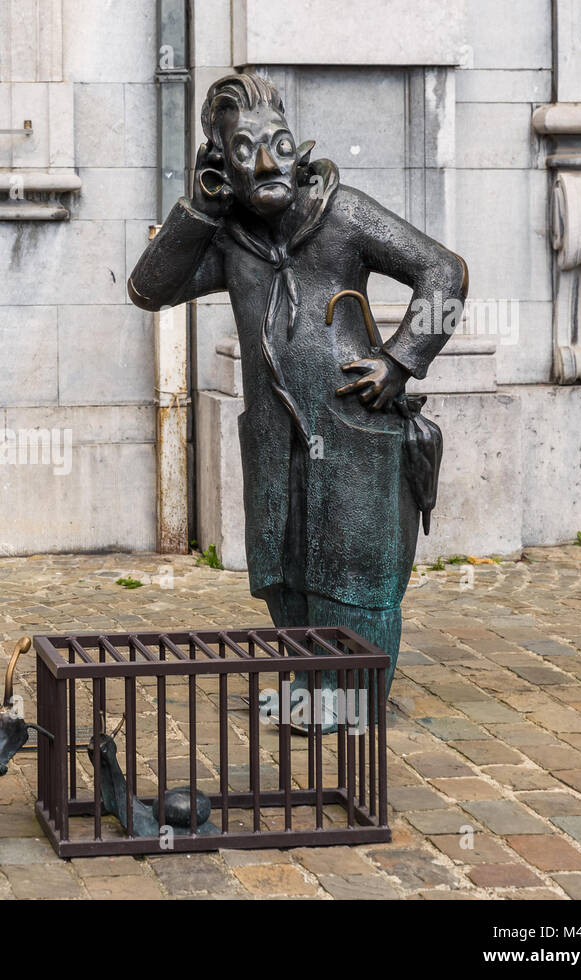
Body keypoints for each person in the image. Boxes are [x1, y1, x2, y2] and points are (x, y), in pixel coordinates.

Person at [129, 72, 467, 727]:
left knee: (354, 568)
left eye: (277, 145)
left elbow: (443, 273)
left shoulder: (343, 214)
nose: (265, 163)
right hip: (275, 438)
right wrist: (200, 211)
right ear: (219, 165)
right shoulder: (230, 241)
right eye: (243, 150)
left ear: (297, 147)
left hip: (355, 429)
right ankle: (310, 687)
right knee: (285, 569)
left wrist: (400, 361)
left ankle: (356, 698)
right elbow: (149, 288)